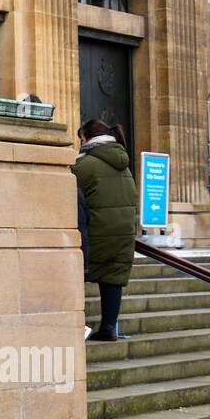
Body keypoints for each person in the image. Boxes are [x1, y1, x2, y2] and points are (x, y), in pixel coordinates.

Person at [72, 119, 139, 342]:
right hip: (123, 233)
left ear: (87, 139)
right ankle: (109, 327)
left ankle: (72, 326)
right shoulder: (124, 164)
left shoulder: (85, 164)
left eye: (81, 139)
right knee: (112, 278)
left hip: (97, 232)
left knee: (74, 274)